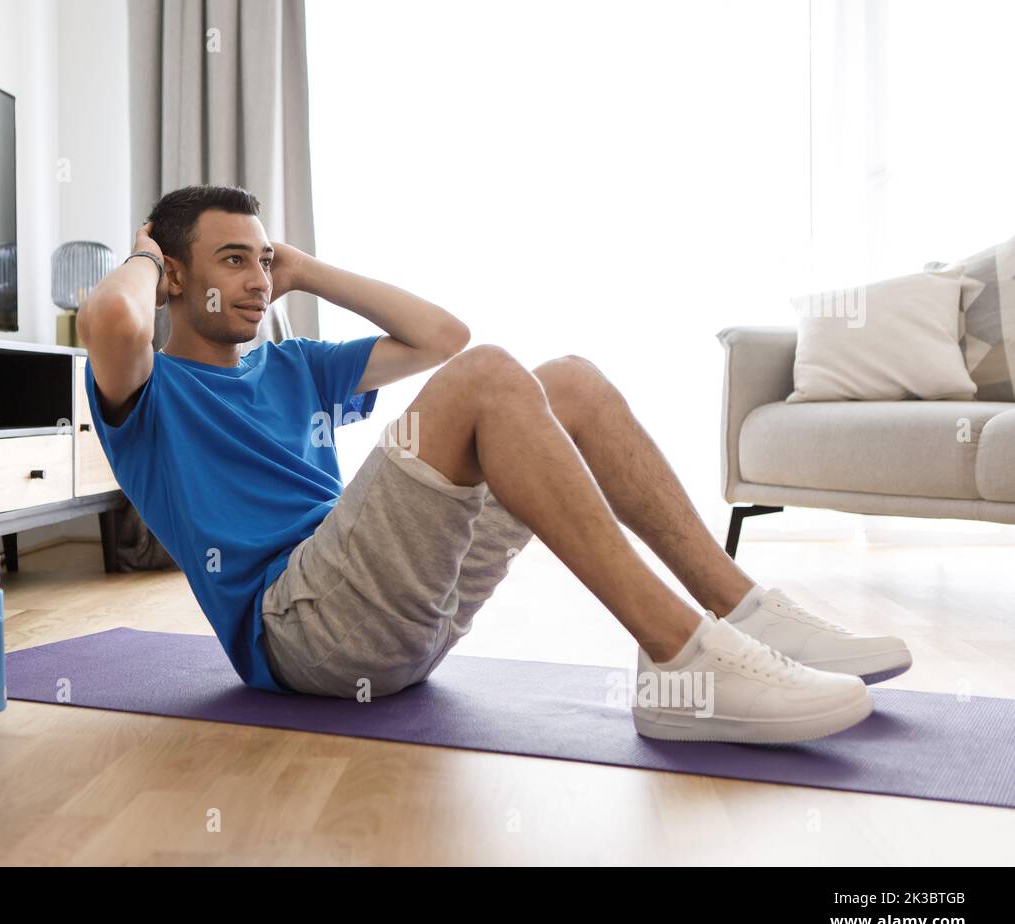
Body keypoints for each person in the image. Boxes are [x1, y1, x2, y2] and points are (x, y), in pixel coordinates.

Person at [77, 184, 911, 745]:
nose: (259, 280)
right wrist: (149, 252)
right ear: (174, 278)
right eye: (235, 261)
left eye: (264, 260)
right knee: (485, 381)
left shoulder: (295, 366)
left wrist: (305, 269)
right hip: (303, 633)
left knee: (569, 383)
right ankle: (680, 652)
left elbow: (442, 335)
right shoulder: (149, 389)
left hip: (396, 614)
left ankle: (738, 611)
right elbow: (112, 319)